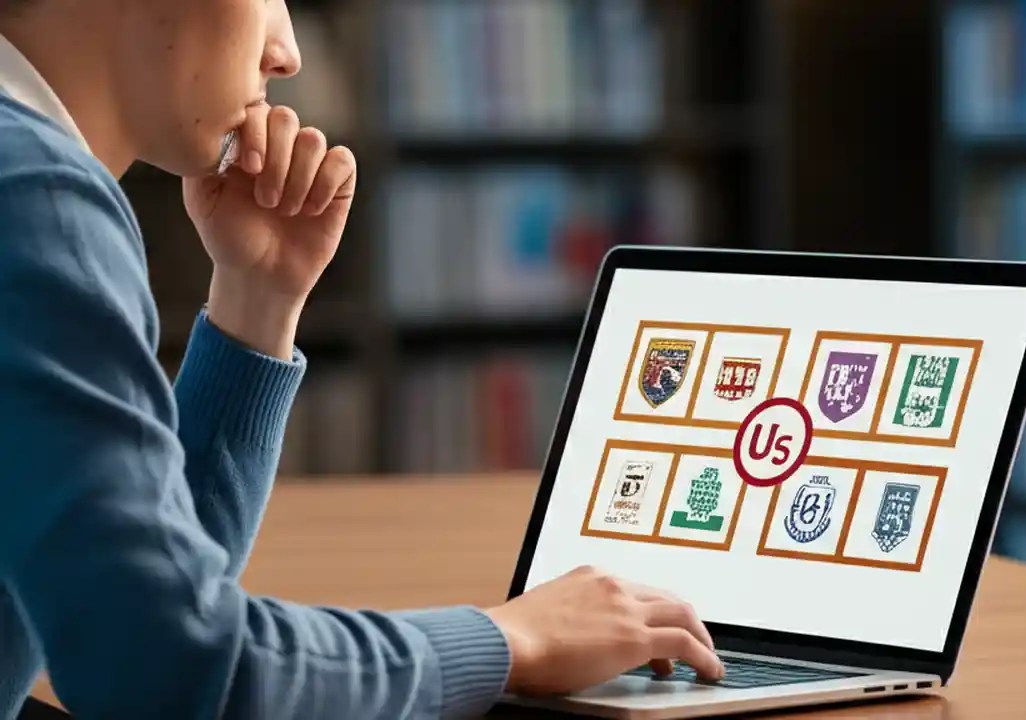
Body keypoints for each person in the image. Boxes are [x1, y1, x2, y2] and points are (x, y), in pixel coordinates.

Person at [0, 1, 725, 717]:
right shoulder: (34, 199)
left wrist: (258, 301)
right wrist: (512, 639)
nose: (288, 50)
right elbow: (164, 666)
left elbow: (139, 594)